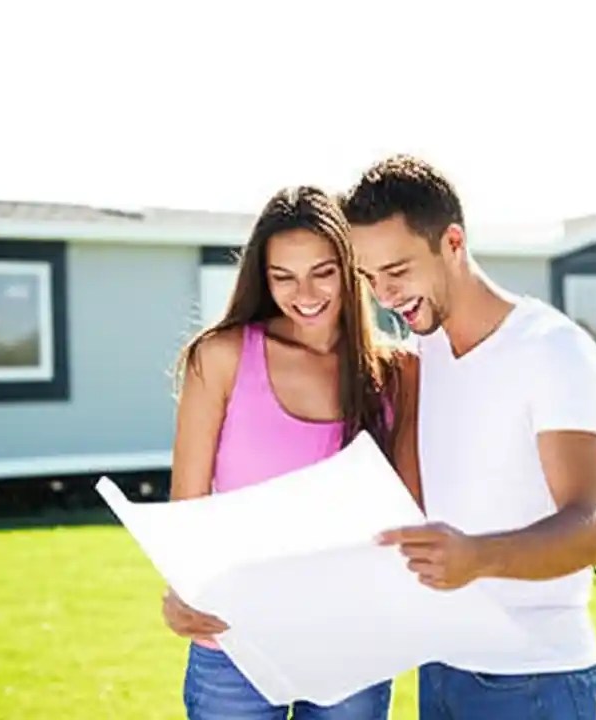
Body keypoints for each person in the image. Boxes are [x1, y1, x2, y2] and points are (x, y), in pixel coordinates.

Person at [340, 155, 596, 719]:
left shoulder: (551, 349)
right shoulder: (422, 357)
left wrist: (476, 557)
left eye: (397, 270)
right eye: (369, 278)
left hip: (534, 679)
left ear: (453, 242)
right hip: (441, 665)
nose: (384, 296)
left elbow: (591, 527)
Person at [161, 185, 422, 720]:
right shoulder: (222, 357)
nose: (303, 293)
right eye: (283, 277)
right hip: (234, 639)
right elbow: (187, 507)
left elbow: (411, 509)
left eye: (322, 272)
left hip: (351, 640)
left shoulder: (398, 374)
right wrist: (181, 589)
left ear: (352, 268)